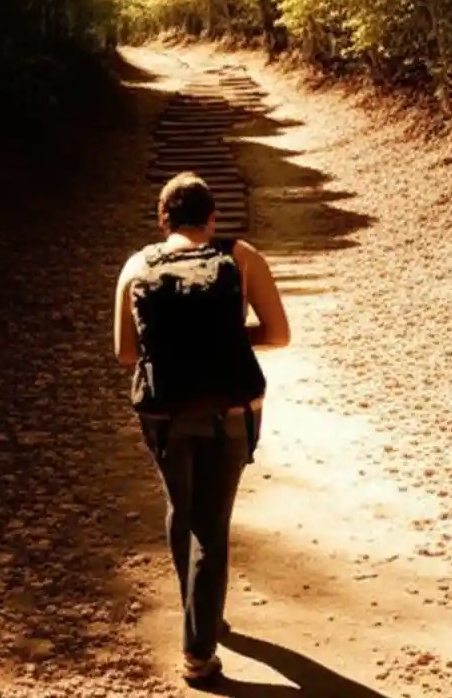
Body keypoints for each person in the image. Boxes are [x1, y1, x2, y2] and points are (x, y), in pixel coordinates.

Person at [112, 171, 291, 684]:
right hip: (226, 412)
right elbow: (278, 335)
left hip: (164, 414)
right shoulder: (240, 257)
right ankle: (198, 649)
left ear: (162, 218)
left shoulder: (136, 265)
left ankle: (199, 608)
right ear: (213, 219)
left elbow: (126, 353)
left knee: (180, 507)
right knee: (212, 525)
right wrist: (227, 342)